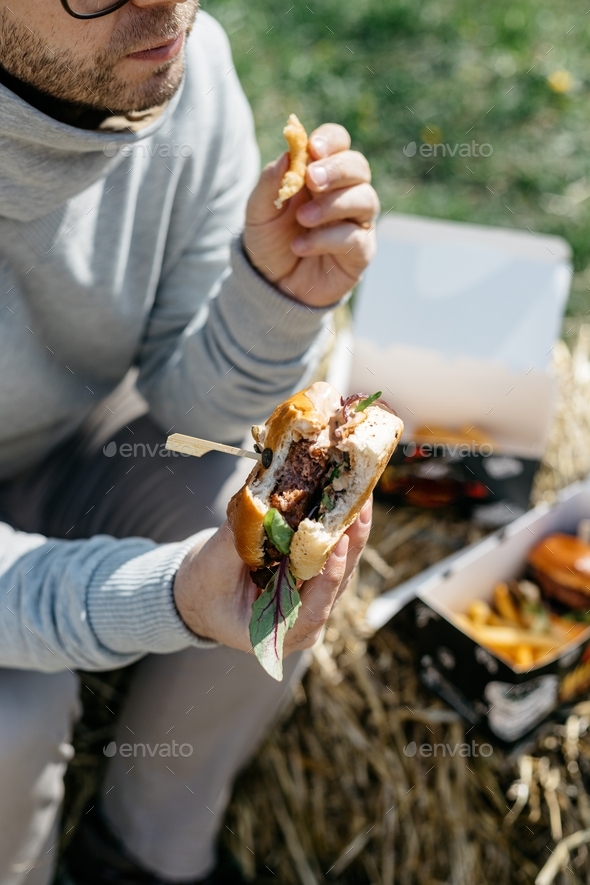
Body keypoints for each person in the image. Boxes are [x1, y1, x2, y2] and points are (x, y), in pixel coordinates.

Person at [0, 0, 379, 881]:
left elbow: (192, 408)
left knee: (279, 537)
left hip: (68, 440)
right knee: (14, 721)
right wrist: (164, 596)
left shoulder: (179, 66)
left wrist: (276, 301)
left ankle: (144, 847)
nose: (167, 6)